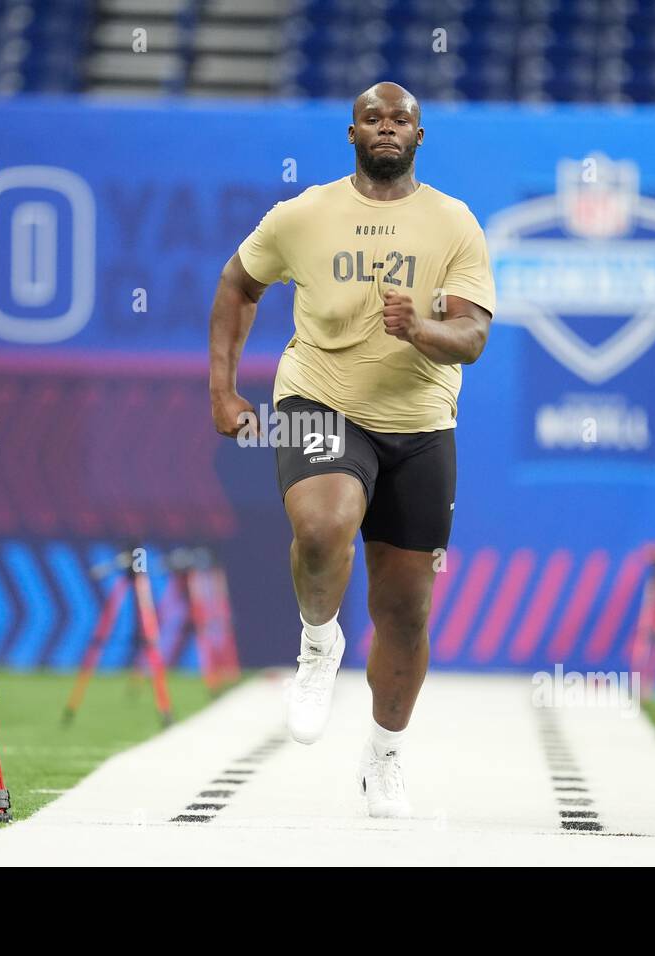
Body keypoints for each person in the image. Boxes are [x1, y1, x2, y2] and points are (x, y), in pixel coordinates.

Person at [207, 82, 496, 817]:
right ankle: (317, 643)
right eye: (373, 118)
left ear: (419, 136)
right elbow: (238, 285)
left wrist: (422, 330)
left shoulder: (454, 223)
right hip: (320, 399)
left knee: (405, 610)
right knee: (322, 525)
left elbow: (473, 336)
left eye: (401, 119)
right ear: (352, 133)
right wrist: (223, 390)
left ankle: (384, 755)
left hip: (420, 422)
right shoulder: (303, 215)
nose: (386, 128)